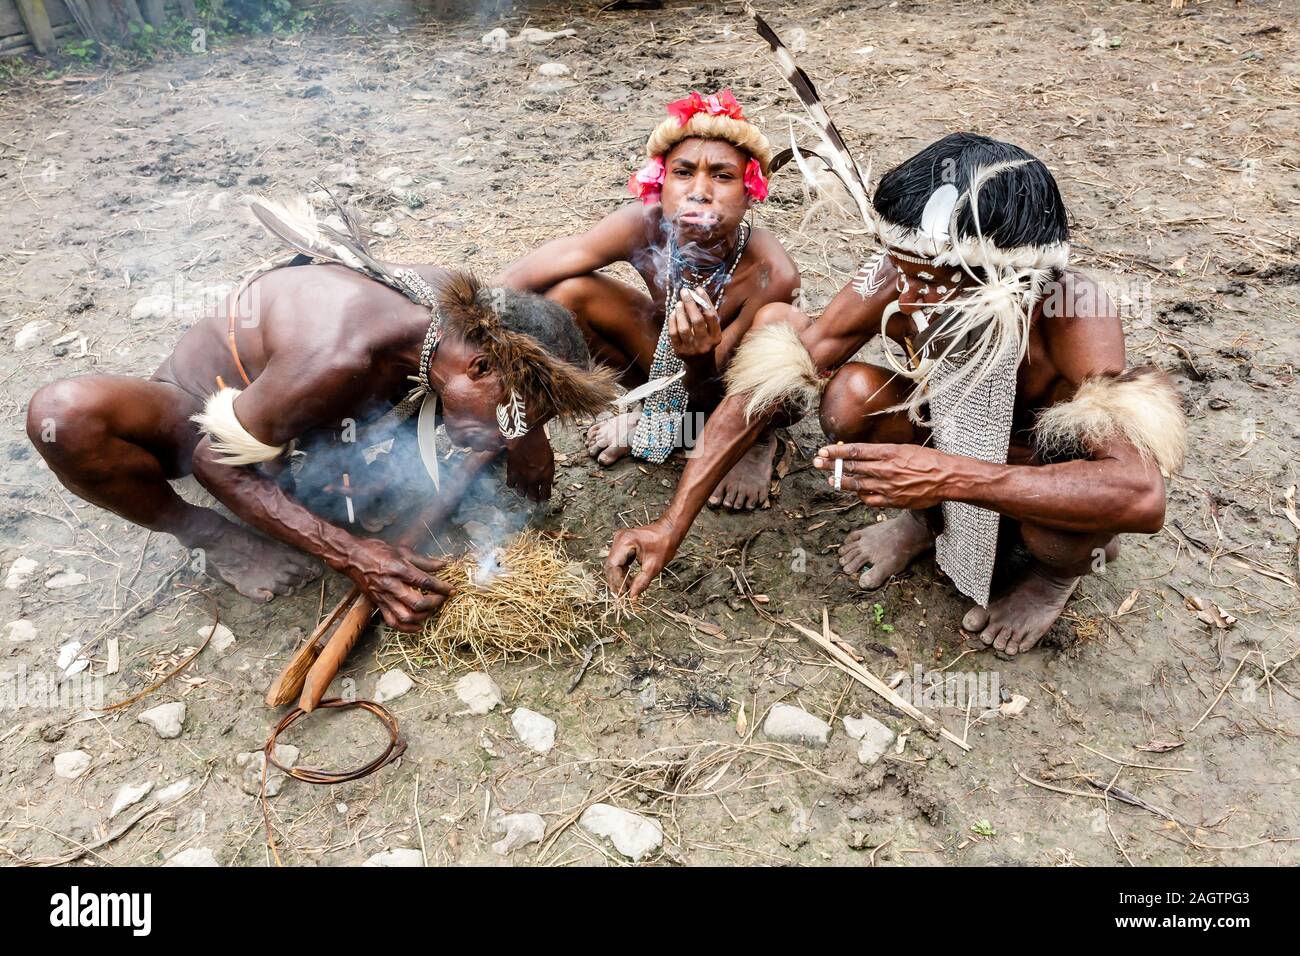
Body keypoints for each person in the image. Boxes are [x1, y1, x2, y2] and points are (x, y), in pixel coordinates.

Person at [604, 133, 1185, 655]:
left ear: (1007, 279)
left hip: (1034, 480)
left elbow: (1140, 494)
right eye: (904, 274)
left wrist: (949, 476)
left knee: (1061, 535)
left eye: (933, 284)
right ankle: (926, 524)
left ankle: (1050, 579)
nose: (907, 299)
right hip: (946, 442)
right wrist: (669, 525)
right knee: (851, 397)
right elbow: (765, 382)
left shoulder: (1072, 309)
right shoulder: (904, 269)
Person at [27, 195, 617, 632]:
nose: (509, 428)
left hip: (308, 426)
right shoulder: (341, 354)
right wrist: (356, 556)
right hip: (211, 416)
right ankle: (215, 536)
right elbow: (215, 462)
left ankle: (310, 472)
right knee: (65, 415)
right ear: (483, 367)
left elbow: (494, 389)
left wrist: (526, 437)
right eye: (515, 412)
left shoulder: (461, 322)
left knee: (384, 471)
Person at [495, 89, 800, 510]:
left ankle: (752, 442)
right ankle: (665, 419)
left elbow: (712, 387)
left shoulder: (770, 270)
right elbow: (523, 278)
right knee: (570, 295)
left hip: (730, 390)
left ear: (750, 196)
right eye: (684, 172)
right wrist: (457, 331)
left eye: (723, 176)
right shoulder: (644, 225)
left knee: (783, 323)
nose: (700, 191)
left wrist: (697, 355)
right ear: (659, 186)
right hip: (668, 371)